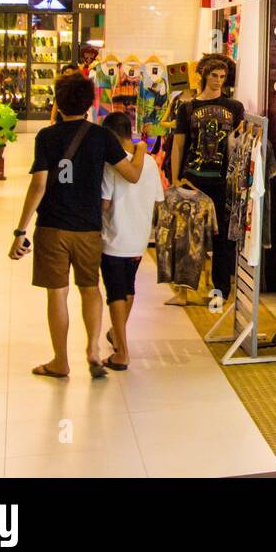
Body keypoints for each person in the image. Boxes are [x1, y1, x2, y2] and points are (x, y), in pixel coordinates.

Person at [9, 73, 147, 378]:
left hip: (52, 227)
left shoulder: (47, 137)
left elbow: (38, 186)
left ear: (57, 102)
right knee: (90, 289)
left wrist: (20, 230)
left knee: (57, 293)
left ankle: (60, 360)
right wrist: (140, 150)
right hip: (88, 229)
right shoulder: (102, 137)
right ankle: (93, 349)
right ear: (89, 103)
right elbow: (132, 175)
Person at [169, 54, 244, 305]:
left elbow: (240, 144)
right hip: (193, 177)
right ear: (204, 75)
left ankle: (220, 291)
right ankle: (182, 291)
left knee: (222, 239)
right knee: (188, 236)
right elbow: (179, 143)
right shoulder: (187, 106)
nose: (218, 81)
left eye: (222, 76)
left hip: (223, 180)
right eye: (214, 76)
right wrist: (175, 177)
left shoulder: (234, 107)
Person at [99, 111, 164, 370]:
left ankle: (122, 353)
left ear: (111, 135)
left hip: (114, 237)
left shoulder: (111, 164)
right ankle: (117, 334)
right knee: (128, 287)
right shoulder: (148, 162)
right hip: (139, 238)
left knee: (115, 292)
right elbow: (159, 200)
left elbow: (104, 204)